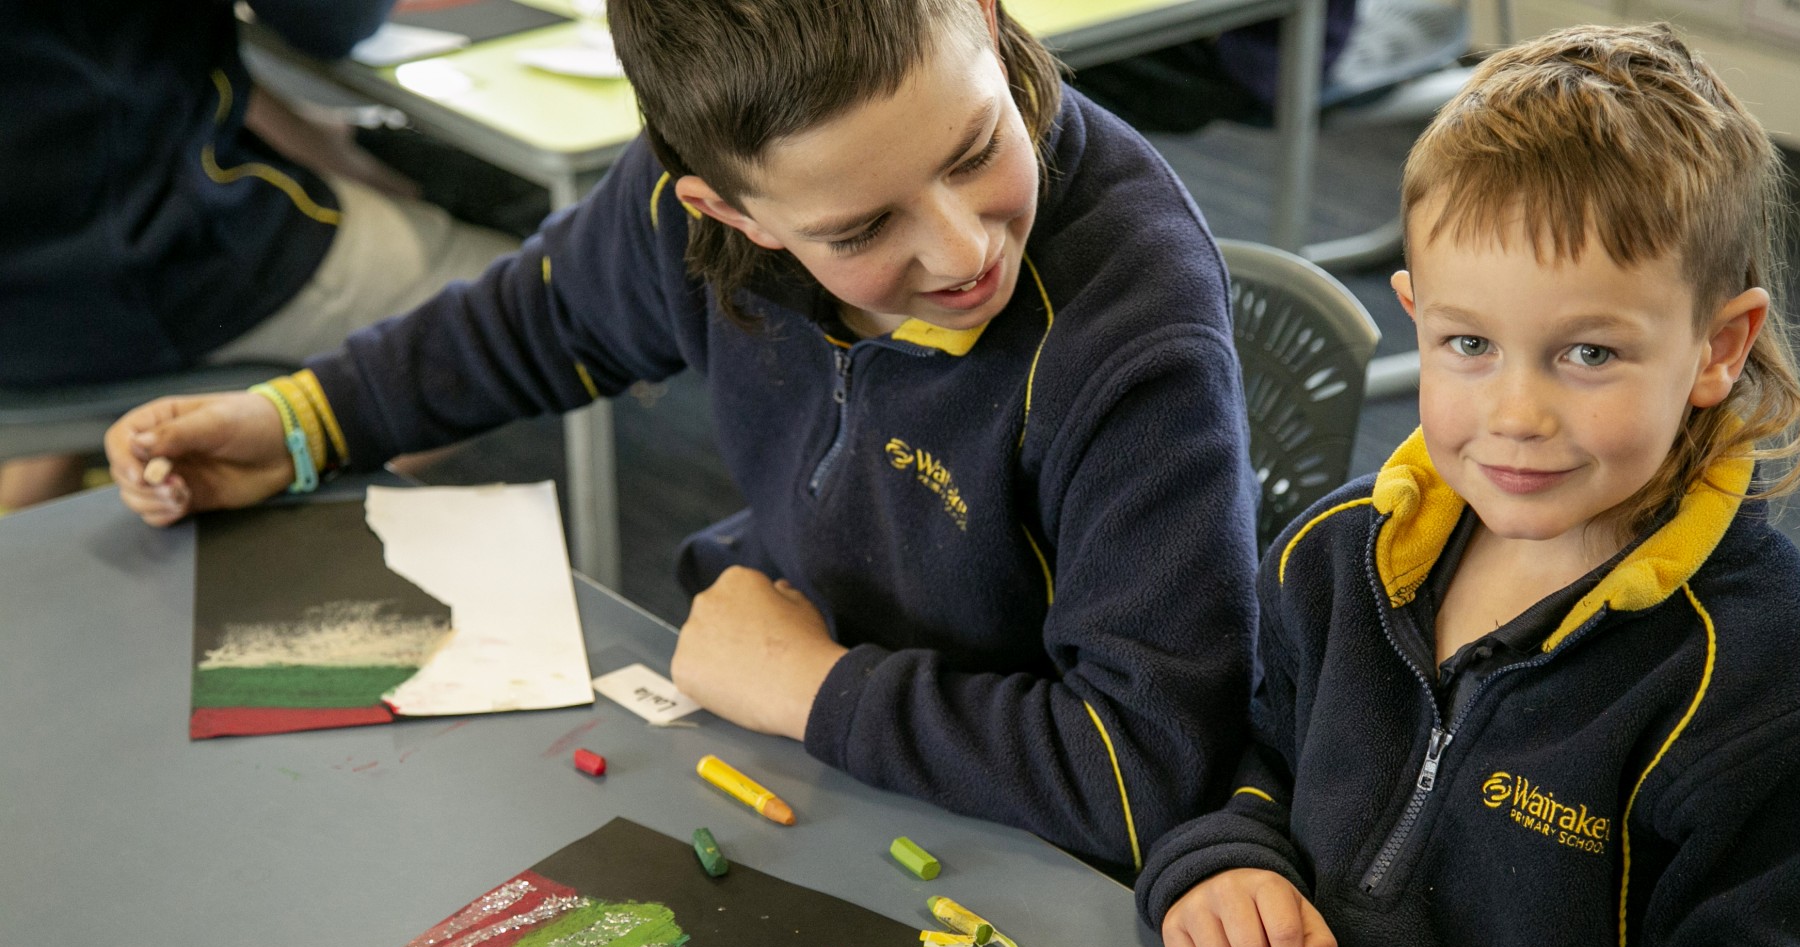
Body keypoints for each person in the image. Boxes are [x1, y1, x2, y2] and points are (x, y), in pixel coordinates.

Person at [102, 0, 1260, 872]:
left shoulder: (1130, 334)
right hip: (789, 721)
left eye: (972, 151)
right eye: (860, 226)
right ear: (723, 210)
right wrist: (300, 422)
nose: (962, 250)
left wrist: (818, 688)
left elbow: (1143, 766)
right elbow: (547, 311)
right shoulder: (685, 200)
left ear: (994, 25)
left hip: (1010, 822)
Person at [1137, 24, 1800, 947]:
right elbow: (1250, 749)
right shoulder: (1339, 554)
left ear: (1719, 347)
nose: (1516, 414)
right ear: (1413, 311)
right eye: (1469, 343)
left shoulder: (1790, 705)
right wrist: (1224, 858)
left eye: (1589, 353)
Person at [0, 0, 516, 510]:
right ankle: (291, 532)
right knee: (519, 307)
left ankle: (50, 514)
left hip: (32, 270)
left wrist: (331, 152)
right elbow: (333, 22)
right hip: (138, 271)